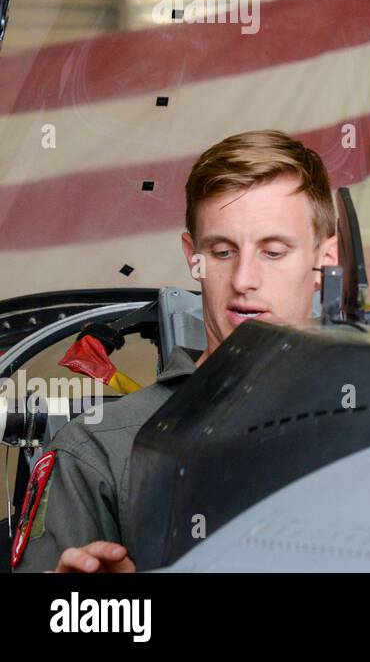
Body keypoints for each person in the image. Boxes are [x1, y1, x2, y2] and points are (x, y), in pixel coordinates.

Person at [12, 129, 338, 571]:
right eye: (222, 251)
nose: (244, 279)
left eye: (274, 252)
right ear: (193, 256)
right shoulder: (100, 452)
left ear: (326, 260)